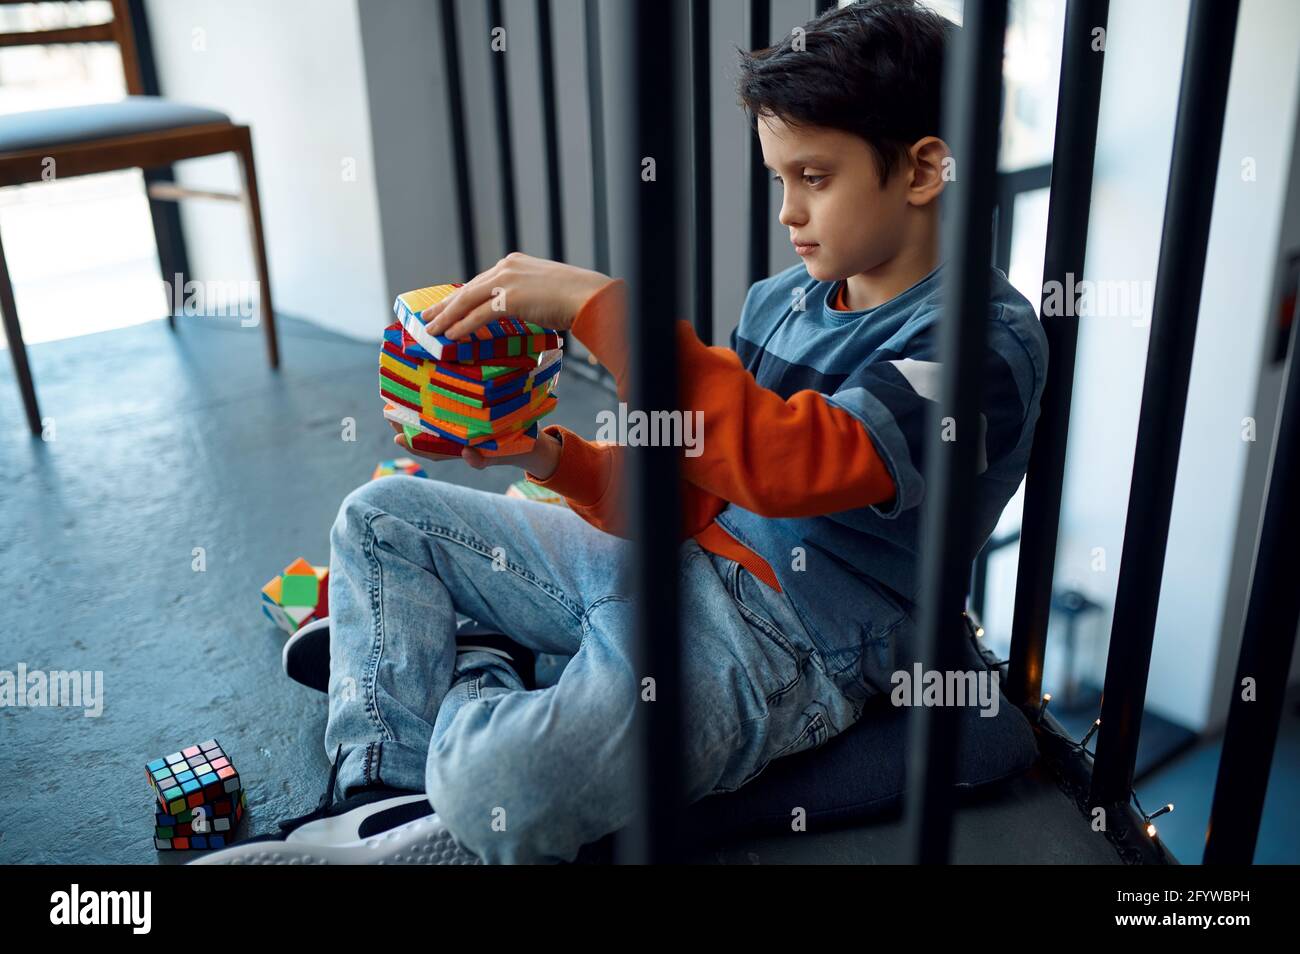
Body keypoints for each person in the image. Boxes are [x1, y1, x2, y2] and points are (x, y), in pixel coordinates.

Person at [196, 0, 1046, 865]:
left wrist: (605, 312)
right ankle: (385, 788)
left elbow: (794, 464)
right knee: (382, 516)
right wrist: (545, 455)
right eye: (779, 178)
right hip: (665, 557)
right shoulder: (777, 302)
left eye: (814, 178)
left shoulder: (985, 344)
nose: (788, 212)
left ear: (923, 169)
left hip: (786, 638)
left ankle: (476, 673)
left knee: (503, 791)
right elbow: (688, 488)